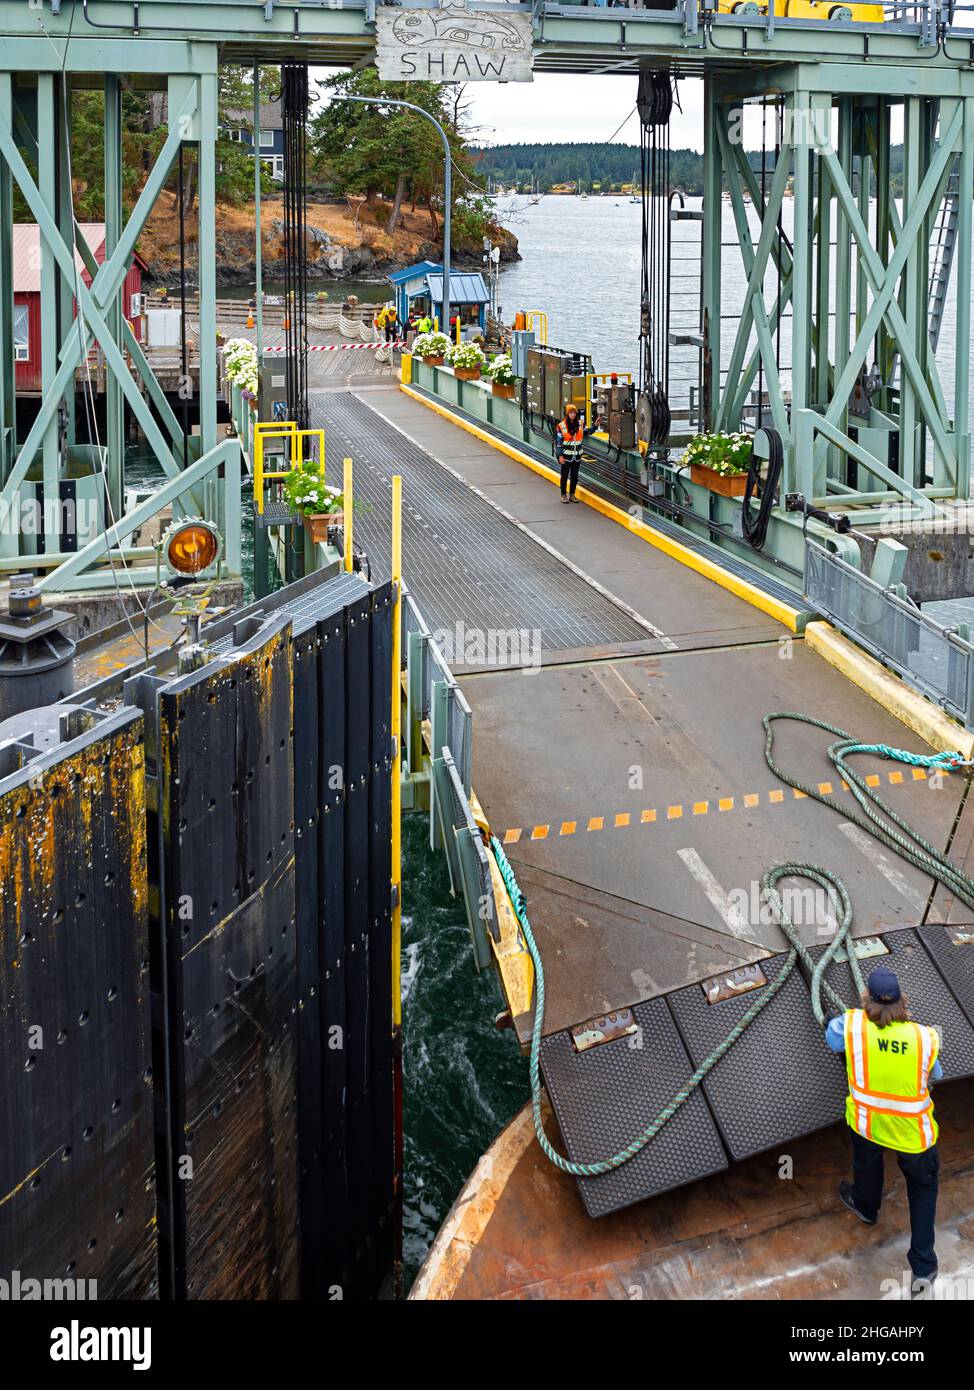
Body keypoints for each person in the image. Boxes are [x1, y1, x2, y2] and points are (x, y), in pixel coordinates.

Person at [826, 967, 943, 1297]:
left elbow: (831, 1038)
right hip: (914, 1135)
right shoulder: (924, 1037)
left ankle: (866, 1206)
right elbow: (936, 1071)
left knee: (868, 1163)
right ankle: (924, 1265)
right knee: (923, 1190)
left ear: (867, 999)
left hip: (870, 1124)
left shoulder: (851, 1025)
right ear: (903, 1002)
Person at [555, 402, 600, 503]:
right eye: (571, 413)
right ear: (567, 414)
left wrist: (595, 425)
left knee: (575, 476)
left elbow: (587, 432)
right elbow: (558, 443)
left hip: (577, 456)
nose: (573, 414)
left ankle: (572, 494)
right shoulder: (561, 426)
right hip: (566, 456)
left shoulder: (580, 424)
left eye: (574, 413)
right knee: (564, 476)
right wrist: (560, 456)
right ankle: (563, 494)